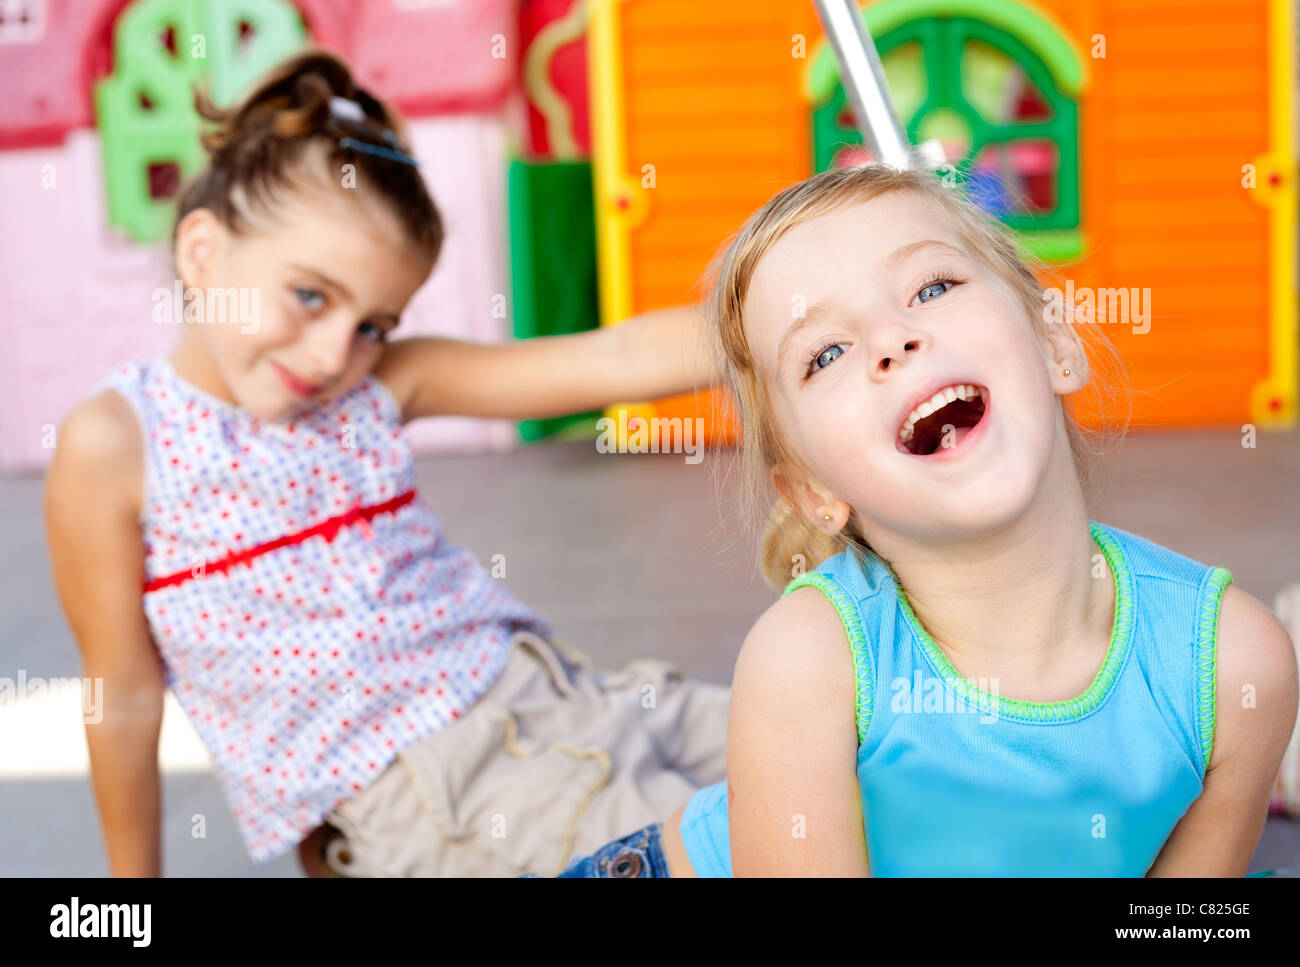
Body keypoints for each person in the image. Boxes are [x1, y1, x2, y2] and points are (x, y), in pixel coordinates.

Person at [43, 49, 729, 878]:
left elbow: (612, 359)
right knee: (731, 849)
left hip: (560, 695)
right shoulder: (118, 443)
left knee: (819, 738)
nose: (335, 353)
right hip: (435, 787)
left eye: (375, 325)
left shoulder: (379, 386)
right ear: (202, 252)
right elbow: (121, 693)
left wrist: (789, 316)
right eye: (309, 295)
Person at [557, 162, 1298, 877]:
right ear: (813, 490)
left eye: (933, 287)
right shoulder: (807, 662)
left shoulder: (1236, 665)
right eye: (827, 353)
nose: (892, 340)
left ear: (1055, 343)